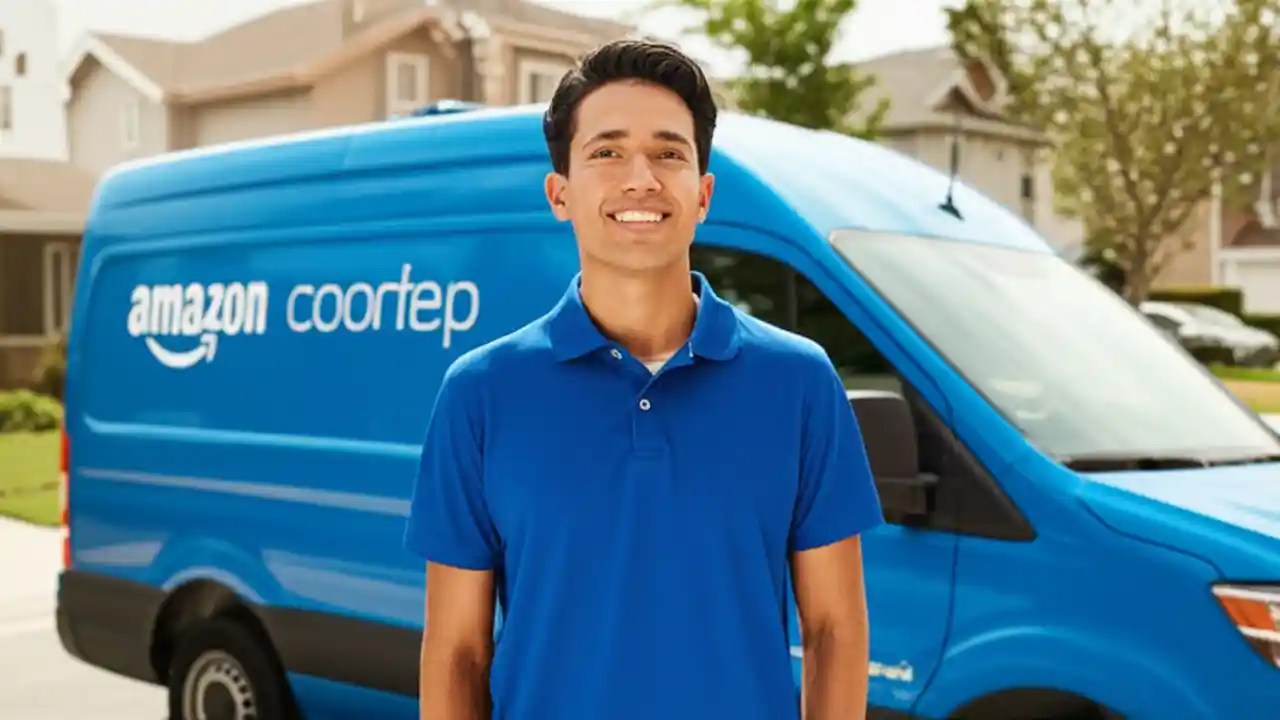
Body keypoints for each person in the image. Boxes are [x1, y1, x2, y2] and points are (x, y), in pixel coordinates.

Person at [404, 37, 884, 720]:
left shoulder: (799, 382)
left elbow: (834, 629)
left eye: (668, 153)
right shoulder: (481, 393)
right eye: (606, 152)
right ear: (560, 194)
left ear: (703, 192)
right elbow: (457, 652)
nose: (641, 179)